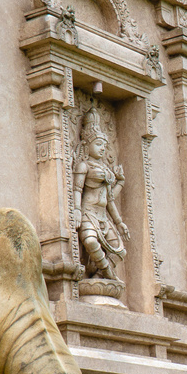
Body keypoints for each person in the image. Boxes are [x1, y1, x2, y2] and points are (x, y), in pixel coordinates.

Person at [72, 108, 130, 281]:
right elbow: (77, 189)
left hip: (104, 217)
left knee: (121, 252)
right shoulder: (84, 166)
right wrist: (76, 210)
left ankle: (99, 275)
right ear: (87, 145)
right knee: (89, 242)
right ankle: (108, 273)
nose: (102, 149)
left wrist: (119, 222)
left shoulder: (105, 169)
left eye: (104, 146)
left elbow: (110, 199)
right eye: (98, 144)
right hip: (88, 213)